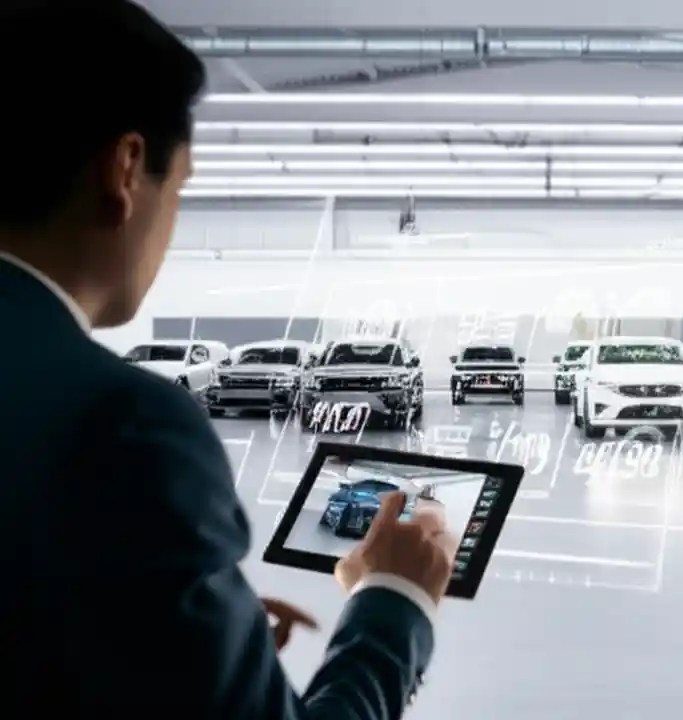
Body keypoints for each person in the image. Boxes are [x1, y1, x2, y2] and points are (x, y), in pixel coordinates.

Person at [0, 2, 456, 718]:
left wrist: (186, 649)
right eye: (177, 186)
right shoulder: (122, 426)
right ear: (125, 170)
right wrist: (394, 603)